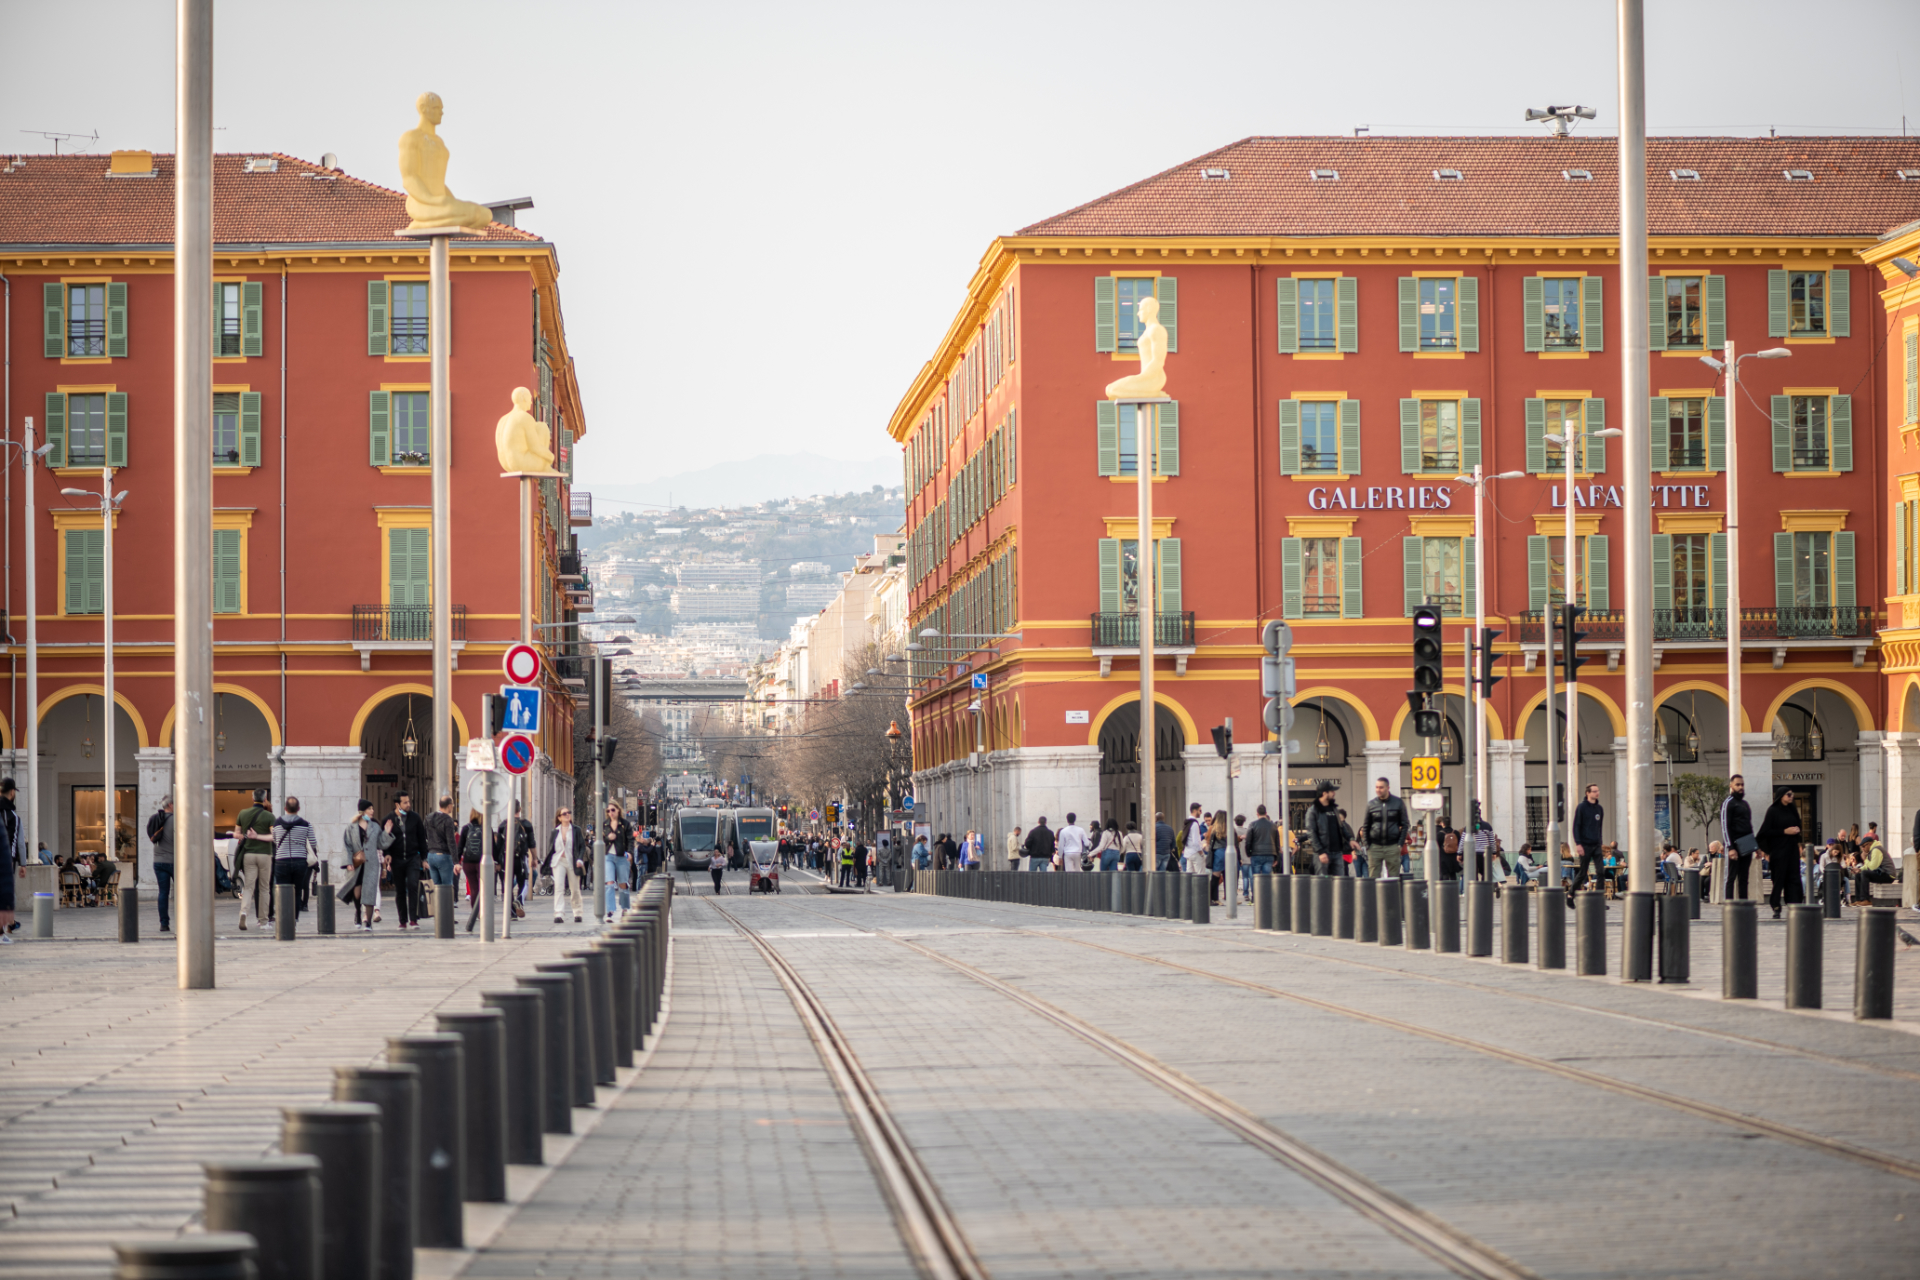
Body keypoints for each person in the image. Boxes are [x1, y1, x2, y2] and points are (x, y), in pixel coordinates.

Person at [383, 792, 430, 931]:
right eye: (405, 802)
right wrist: (387, 854)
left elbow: (422, 839)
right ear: (397, 804)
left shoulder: (415, 818)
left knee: (413, 885)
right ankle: (402, 920)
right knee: (400, 890)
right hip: (397, 859)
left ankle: (414, 919)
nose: (408, 804)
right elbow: (383, 841)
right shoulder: (388, 819)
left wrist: (424, 859)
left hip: (412, 858)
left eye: (409, 802)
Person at [233, 788, 276, 930]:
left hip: (248, 855)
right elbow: (274, 837)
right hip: (265, 855)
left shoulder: (242, 814)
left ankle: (244, 912)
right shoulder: (269, 816)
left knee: (249, 887)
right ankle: (263, 922)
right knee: (264, 888)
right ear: (264, 799)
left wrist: (246, 835)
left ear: (252, 798)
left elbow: (237, 834)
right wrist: (258, 836)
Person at [1759, 788, 1804, 918]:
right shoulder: (1772, 811)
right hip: (1779, 851)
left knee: (1794, 878)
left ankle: (1795, 905)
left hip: (1792, 851)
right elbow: (1766, 832)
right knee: (1779, 879)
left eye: (1792, 794)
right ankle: (1776, 906)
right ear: (1781, 796)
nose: (1791, 797)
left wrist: (1797, 830)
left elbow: (1798, 824)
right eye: (1788, 795)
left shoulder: (1792, 810)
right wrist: (1784, 831)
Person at [271, 797, 320, 917]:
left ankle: (283, 919)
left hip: (281, 861)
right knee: (297, 891)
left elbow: (275, 840)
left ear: (285, 808)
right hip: (300, 861)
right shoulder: (305, 824)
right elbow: (313, 843)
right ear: (298, 809)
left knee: (282, 891)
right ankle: (295, 919)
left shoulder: (277, 823)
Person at [1360, 777, 1410, 879]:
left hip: (1392, 846)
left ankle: (1392, 895)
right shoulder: (1371, 804)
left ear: (1388, 788)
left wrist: (1400, 844)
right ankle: (1374, 896)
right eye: (1376, 787)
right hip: (1374, 847)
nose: (1378, 790)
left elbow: (1405, 825)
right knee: (1373, 878)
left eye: (1381, 787)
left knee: (1393, 878)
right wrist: (1368, 845)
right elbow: (1366, 826)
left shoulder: (1398, 802)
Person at [342, 800, 381, 929]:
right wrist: (348, 862)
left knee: (370, 892)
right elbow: (347, 845)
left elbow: (382, 844)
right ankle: (358, 912)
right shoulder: (351, 826)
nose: (372, 811)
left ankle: (368, 922)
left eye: (373, 808)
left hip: (371, 864)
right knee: (357, 892)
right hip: (356, 863)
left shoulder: (375, 826)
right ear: (363, 811)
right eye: (370, 809)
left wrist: (387, 833)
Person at [1719, 775, 1756, 900]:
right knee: (1730, 877)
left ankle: (1743, 905)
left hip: (1746, 843)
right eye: (1737, 784)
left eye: (1742, 784)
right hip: (1734, 844)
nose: (1741, 787)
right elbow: (1725, 826)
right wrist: (1730, 847)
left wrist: (1755, 846)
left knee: (1744, 877)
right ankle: (1729, 906)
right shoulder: (1727, 803)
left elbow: (1749, 826)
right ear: (1731, 786)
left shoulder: (1745, 804)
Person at [549, 807, 588, 922]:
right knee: (559, 887)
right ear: (559, 817)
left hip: (572, 861)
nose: (567, 815)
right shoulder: (555, 831)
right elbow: (551, 848)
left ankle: (577, 912)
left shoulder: (576, 830)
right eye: (564, 813)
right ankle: (559, 913)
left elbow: (582, 846)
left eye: (568, 813)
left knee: (575, 888)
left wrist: (580, 859)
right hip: (559, 861)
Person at [147, 795, 175, 933]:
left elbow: (151, 836)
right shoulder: (177, 820)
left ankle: (164, 924)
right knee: (183, 893)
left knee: (163, 893)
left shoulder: (155, 818)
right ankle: (185, 921)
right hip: (175, 862)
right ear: (170, 805)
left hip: (158, 861)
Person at [1571, 783, 1606, 892]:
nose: (1597, 793)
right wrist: (1578, 843)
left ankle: (1598, 898)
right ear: (1588, 793)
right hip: (1585, 845)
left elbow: (1599, 827)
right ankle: (1570, 894)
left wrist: (1600, 842)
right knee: (1582, 872)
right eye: (1594, 791)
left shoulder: (1599, 809)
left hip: (1596, 845)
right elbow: (1576, 826)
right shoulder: (1581, 807)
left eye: (1598, 791)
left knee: (1601, 871)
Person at [1306, 780, 1344, 875]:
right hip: (1322, 853)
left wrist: (1350, 839)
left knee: (1340, 884)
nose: (1334, 793)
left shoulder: (1334, 808)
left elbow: (1341, 827)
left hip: (1337, 853)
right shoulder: (1313, 811)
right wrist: (1320, 851)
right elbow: (1311, 833)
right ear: (1324, 793)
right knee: (1322, 884)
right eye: (1332, 791)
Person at [604, 802, 634, 920]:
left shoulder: (625, 824)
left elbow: (631, 840)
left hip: (622, 856)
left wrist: (630, 852)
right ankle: (610, 910)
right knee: (610, 883)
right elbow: (600, 839)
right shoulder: (605, 825)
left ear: (618, 810)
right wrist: (608, 838)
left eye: (612, 810)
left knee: (623, 884)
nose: (610, 813)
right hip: (608, 857)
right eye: (608, 811)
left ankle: (625, 908)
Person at [425, 795, 459, 899]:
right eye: (452, 805)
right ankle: (445, 913)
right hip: (443, 856)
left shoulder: (428, 817)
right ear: (449, 806)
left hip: (431, 855)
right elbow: (451, 841)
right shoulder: (448, 820)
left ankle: (438, 912)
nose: (452, 807)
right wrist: (456, 862)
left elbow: (424, 835)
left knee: (436, 888)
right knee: (446, 887)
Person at [0, 778, 21, 942]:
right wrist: (14, 862)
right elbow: (13, 841)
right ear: (12, 792)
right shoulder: (11, 815)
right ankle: (1, 933)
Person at [1244, 804, 1278, 880]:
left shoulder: (1252, 824)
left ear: (1257, 814)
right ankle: (1265, 892)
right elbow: (1277, 842)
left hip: (1256, 854)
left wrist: (1249, 853)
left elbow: (1248, 841)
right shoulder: (1273, 825)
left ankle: (1255, 892)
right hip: (1270, 854)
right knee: (1266, 878)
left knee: (1255, 878)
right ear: (1266, 813)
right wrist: (1276, 857)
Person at [1181, 803, 1208, 875]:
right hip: (1196, 853)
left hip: (1188, 853)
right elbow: (1196, 841)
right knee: (1200, 876)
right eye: (1200, 810)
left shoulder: (1187, 822)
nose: (1201, 812)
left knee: (1189, 877)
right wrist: (1201, 852)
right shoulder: (1195, 824)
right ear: (1195, 811)